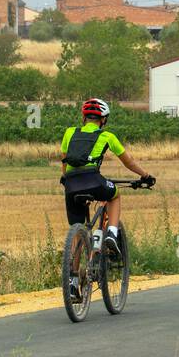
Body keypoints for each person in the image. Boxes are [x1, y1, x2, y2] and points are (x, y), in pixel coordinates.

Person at [60, 97, 154, 249]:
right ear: (103, 119)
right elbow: (129, 162)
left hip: (71, 184)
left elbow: (64, 161)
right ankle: (111, 233)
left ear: (84, 118)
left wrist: (66, 180)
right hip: (93, 180)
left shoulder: (69, 132)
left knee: (77, 229)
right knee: (114, 195)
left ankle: (74, 270)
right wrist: (146, 176)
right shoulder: (107, 136)